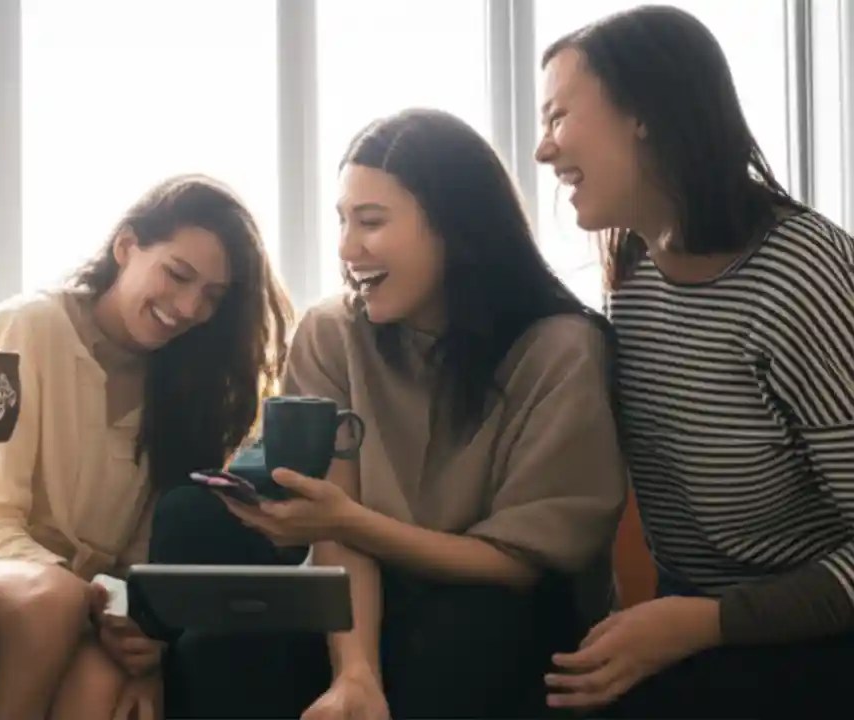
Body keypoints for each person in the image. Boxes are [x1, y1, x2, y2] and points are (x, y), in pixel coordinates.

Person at [153, 109, 629, 719]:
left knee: (465, 633)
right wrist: (355, 675)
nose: (349, 249)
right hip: (367, 592)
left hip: (504, 605)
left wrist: (349, 520)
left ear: (454, 229)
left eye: (371, 222)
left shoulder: (559, 348)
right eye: (343, 222)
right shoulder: (332, 333)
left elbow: (516, 567)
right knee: (219, 648)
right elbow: (337, 532)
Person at [535, 6, 854, 717]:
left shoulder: (802, 276)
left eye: (558, 117)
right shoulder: (635, 263)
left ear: (643, 112)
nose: (542, 151)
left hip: (811, 633)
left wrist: (706, 624)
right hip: (690, 622)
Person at [0, 174, 293, 720]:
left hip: (80, 605)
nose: (188, 308)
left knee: (107, 684)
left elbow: (140, 557)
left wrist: (142, 640)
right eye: (177, 275)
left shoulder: (187, 386)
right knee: (53, 600)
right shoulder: (28, 326)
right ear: (126, 247)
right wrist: (96, 602)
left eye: (212, 297)